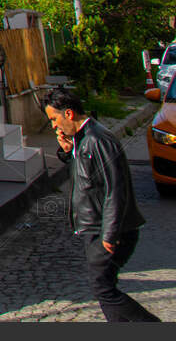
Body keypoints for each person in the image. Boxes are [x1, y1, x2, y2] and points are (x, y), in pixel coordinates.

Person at [44, 86, 158, 321]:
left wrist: (109, 235)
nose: (53, 126)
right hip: (95, 228)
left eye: (54, 119)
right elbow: (89, 177)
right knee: (104, 285)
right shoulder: (83, 139)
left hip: (109, 230)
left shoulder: (98, 139)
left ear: (68, 114)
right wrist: (68, 152)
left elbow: (115, 190)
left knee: (103, 287)